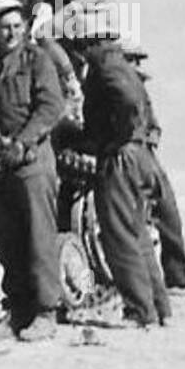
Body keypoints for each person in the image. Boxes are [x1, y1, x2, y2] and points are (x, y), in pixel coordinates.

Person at [0, 0, 64, 341]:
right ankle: (19, 312)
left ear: (24, 28)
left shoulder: (36, 59)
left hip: (31, 160)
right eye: (3, 27)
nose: (10, 33)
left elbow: (51, 106)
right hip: (2, 162)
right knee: (10, 240)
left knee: (40, 236)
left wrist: (22, 142)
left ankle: (46, 312)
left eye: (15, 26)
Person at [69, 34, 172, 327]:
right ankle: (159, 309)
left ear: (89, 43)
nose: (78, 52)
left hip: (121, 158)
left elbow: (126, 101)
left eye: (80, 45)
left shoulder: (105, 66)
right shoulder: (119, 63)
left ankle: (139, 311)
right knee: (137, 235)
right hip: (136, 155)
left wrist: (118, 137)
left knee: (119, 238)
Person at [126, 49, 185, 290]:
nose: (135, 64)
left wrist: (150, 138)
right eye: (131, 59)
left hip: (145, 154)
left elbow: (154, 126)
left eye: (136, 60)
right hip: (129, 154)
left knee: (168, 211)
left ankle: (176, 276)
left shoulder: (140, 91)